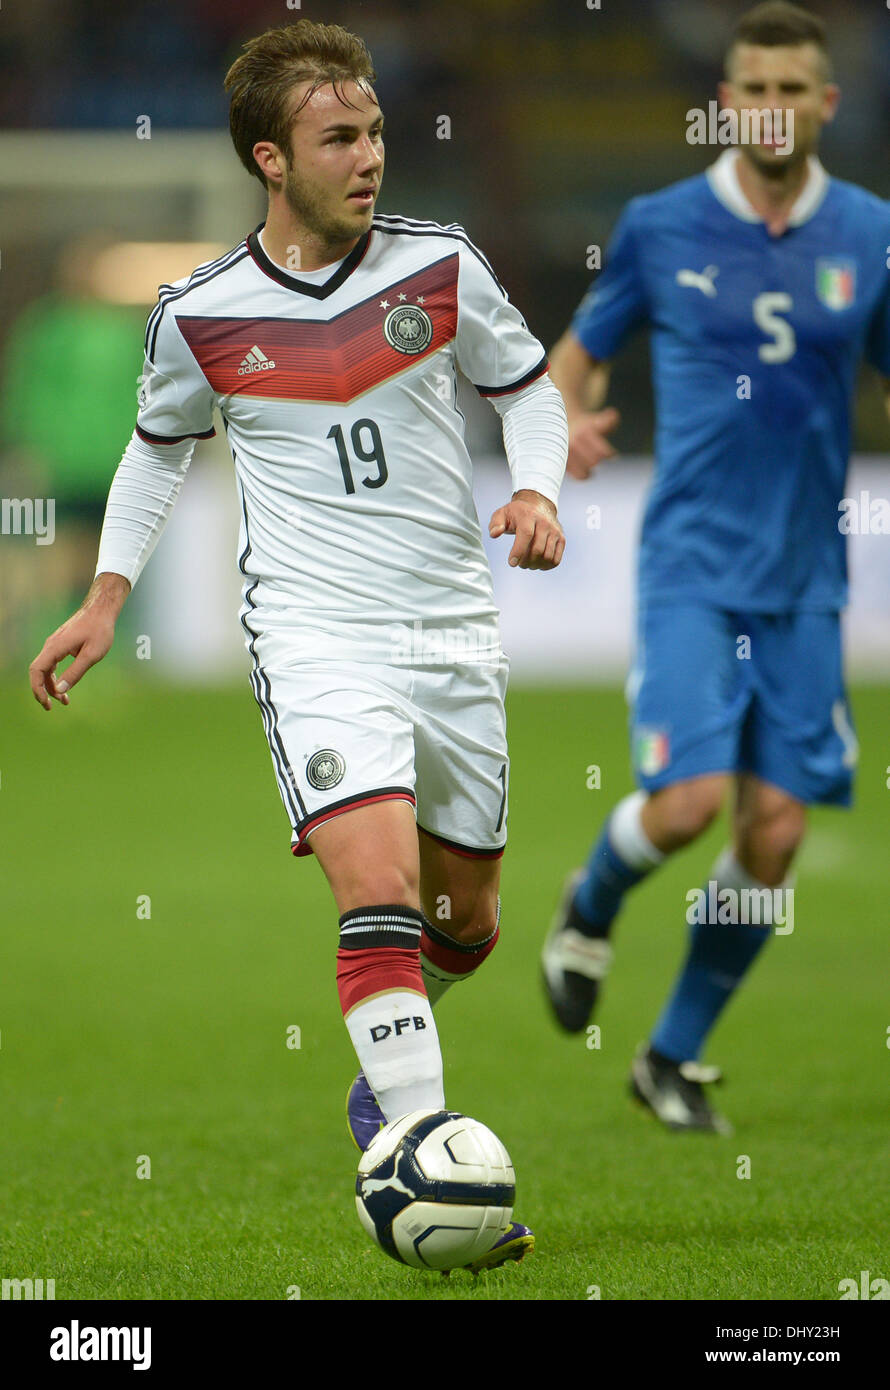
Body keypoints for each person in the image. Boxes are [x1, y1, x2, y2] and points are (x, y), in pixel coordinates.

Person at [29, 18, 567, 1269]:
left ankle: (396, 1050)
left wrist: (534, 489)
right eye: (340, 137)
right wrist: (108, 596)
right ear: (271, 159)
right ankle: (414, 1145)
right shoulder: (199, 314)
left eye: (374, 130)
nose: (370, 155)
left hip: (449, 630)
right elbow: (156, 449)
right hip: (314, 635)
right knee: (371, 886)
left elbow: (526, 388)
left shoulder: (438, 268)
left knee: (466, 920)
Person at [541, 0, 890, 1134]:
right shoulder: (659, 226)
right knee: (687, 804)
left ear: (821, 104)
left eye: (794, 88)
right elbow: (573, 362)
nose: (772, 107)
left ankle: (669, 1056)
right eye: (754, 87)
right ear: (724, 102)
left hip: (805, 578)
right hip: (691, 564)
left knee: (776, 832)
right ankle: (587, 903)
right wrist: (564, 436)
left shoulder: (869, 236)